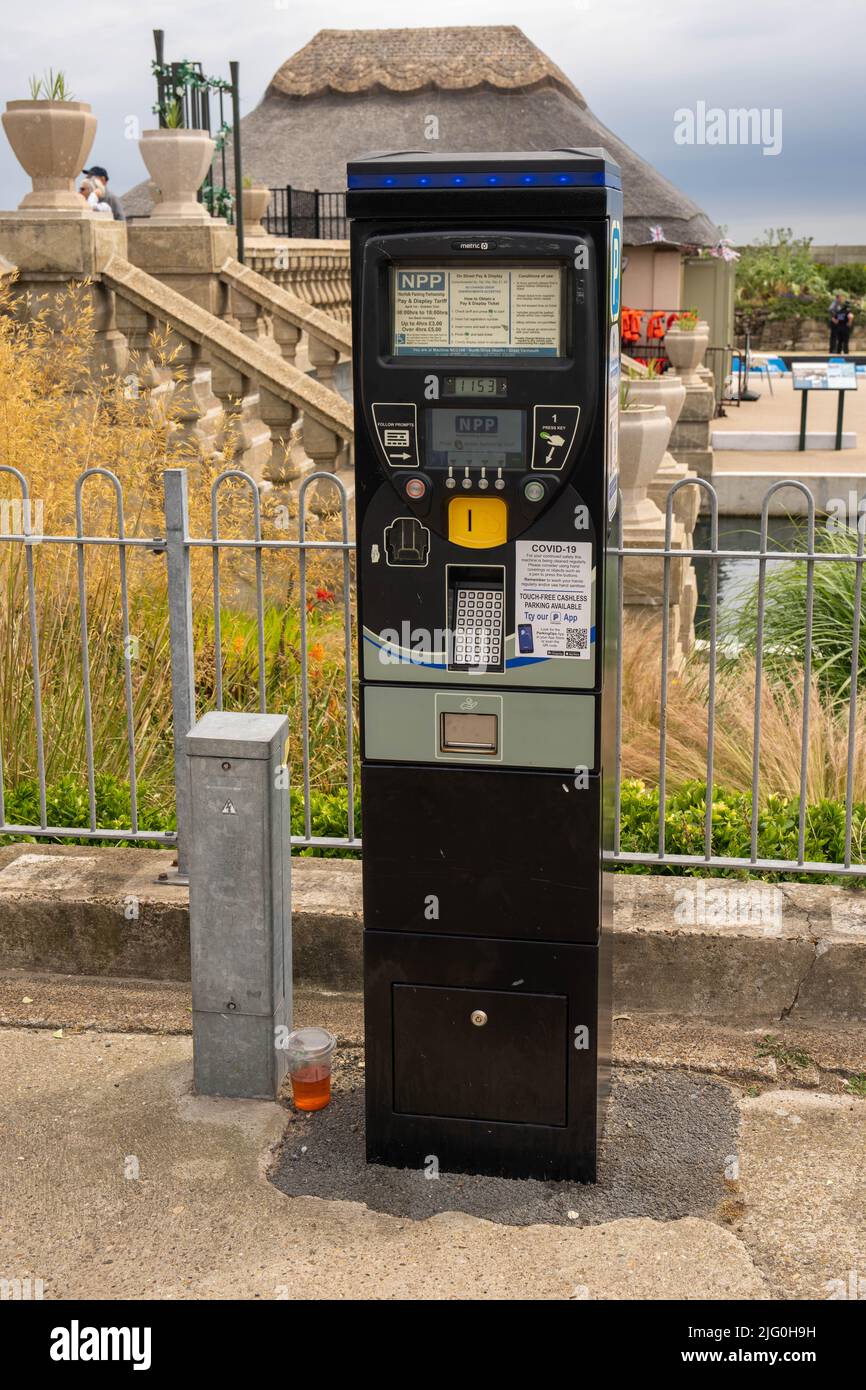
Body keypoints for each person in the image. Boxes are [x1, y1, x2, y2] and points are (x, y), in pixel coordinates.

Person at [829, 289, 854, 354]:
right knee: (845, 341)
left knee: (839, 341)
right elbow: (850, 317)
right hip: (845, 328)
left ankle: (838, 352)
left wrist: (836, 322)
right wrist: (849, 323)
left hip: (839, 328)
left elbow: (836, 320)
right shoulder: (848, 311)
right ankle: (846, 353)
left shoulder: (840, 311)